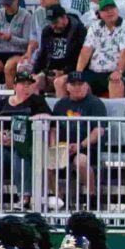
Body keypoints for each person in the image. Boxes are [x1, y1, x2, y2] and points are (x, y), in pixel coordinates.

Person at [0, 69, 48, 207]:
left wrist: (27, 122)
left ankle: (24, 199)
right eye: (23, 84)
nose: (26, 87)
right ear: (15, 86)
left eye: (29, 84)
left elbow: (46, 116)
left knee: (20, 160)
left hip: (25, 144)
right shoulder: (3, 102)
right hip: (3, 143)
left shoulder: (37, 101)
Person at [45, 69, 104, 203]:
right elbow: (53, 129)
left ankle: (91, 196)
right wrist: (54, 146)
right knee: (46, 163)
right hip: (63, 147)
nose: (78, 87)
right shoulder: (60, 104)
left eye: (81, 84)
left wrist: (80, 145)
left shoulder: (95, 103)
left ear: (87, 85)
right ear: (67, 87)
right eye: (74, 84)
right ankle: (60, 198)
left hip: (86, 148)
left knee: (81, 161)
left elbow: (98, 131)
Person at [72, 0, 125, 99]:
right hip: (95, 72)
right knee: (69, 83)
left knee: (115, 81)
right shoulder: (94, 27)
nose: (110, 12)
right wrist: (78, 73)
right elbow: (86, 51)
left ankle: (116, 114)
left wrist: (119, 72)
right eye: (106, 10)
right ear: (100, 14)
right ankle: (82, 113)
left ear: (117, 10)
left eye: (112, 8)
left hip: (122, 71)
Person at [30, 3, 85, 96]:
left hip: (70, 72)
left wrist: (64, 72)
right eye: (51, 23)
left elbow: (80, 58)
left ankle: (61, 110)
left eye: (55, 22)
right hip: (49, 71)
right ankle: (37, 109)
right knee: (33, 82)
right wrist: (34, 72)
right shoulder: (47, 31)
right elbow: (42, 54)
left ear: (64, 18)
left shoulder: (78, 30)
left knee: (59, 83)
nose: (53, 26)